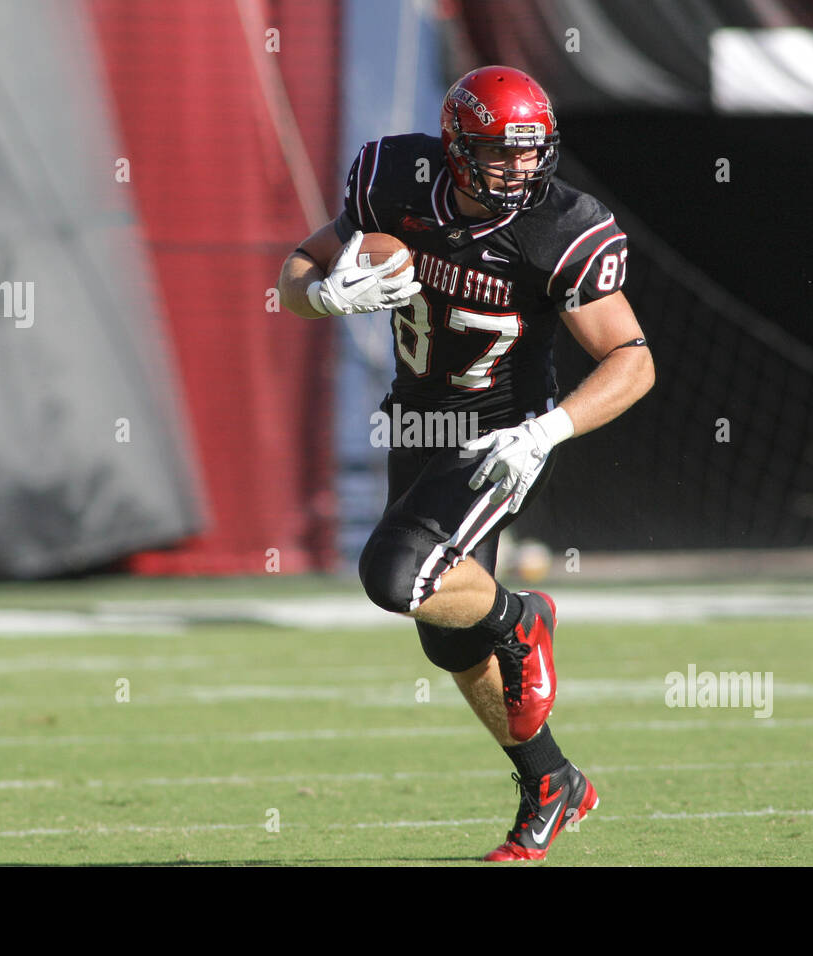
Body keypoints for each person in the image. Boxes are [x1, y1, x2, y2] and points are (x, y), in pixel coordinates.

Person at [278, 65, 655, 861]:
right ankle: (551, 780)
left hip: (498, 434)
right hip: (415, 420)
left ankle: (524, 620)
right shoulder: (395, 179)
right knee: (447, 636)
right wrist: (324, 296)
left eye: (531, 152)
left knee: (394, 575)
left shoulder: (561, 226)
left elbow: (633, 359)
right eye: (499, 152)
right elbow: (296, 274)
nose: (520, 168)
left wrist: (546, 432)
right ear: (455, 147)